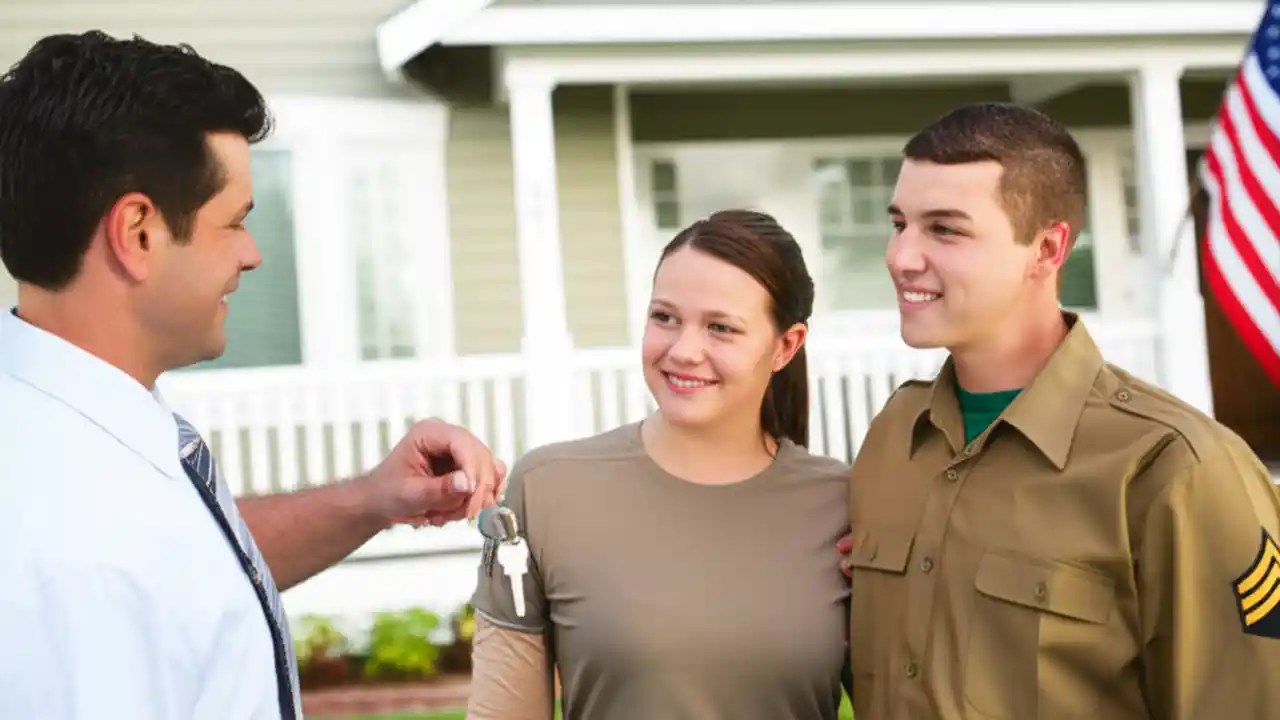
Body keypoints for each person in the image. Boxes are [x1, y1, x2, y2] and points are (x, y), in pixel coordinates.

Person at [0, 31, 504, 719]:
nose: (254, 254)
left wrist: (374, 500)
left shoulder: (76, 432)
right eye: (234, 222)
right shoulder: (69, 541)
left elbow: (184, 563)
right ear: (139, 233)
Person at [838, 101, 1280, 718]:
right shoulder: (894, 440)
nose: (901, 257)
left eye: (944, 229)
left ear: (1046, 249)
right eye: (899, 223)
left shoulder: (1177, 470)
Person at [465, 209, 852, 719]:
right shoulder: (547, 492)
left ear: (786, 346)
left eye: (720, 328)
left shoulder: (847, 505)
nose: (683, 350)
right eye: (664, 317)